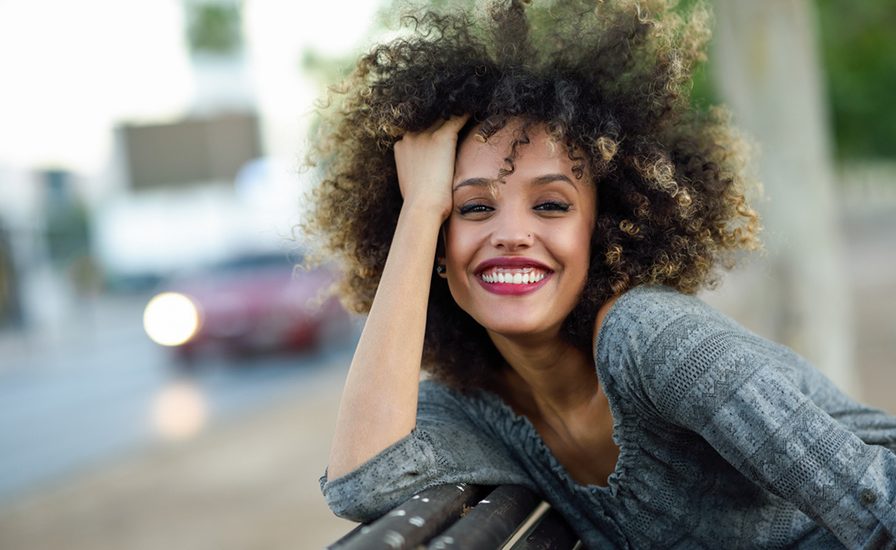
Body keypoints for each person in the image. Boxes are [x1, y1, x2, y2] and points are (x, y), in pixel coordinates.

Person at [307, 1, 896, 547]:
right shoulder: (477, 409)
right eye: (473, 207)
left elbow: (877, 507)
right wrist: (419, 209)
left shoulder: (654, 341)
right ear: (438, 245)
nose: (511, 233)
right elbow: (362, 482)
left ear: (603, 229)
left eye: (552, 205)